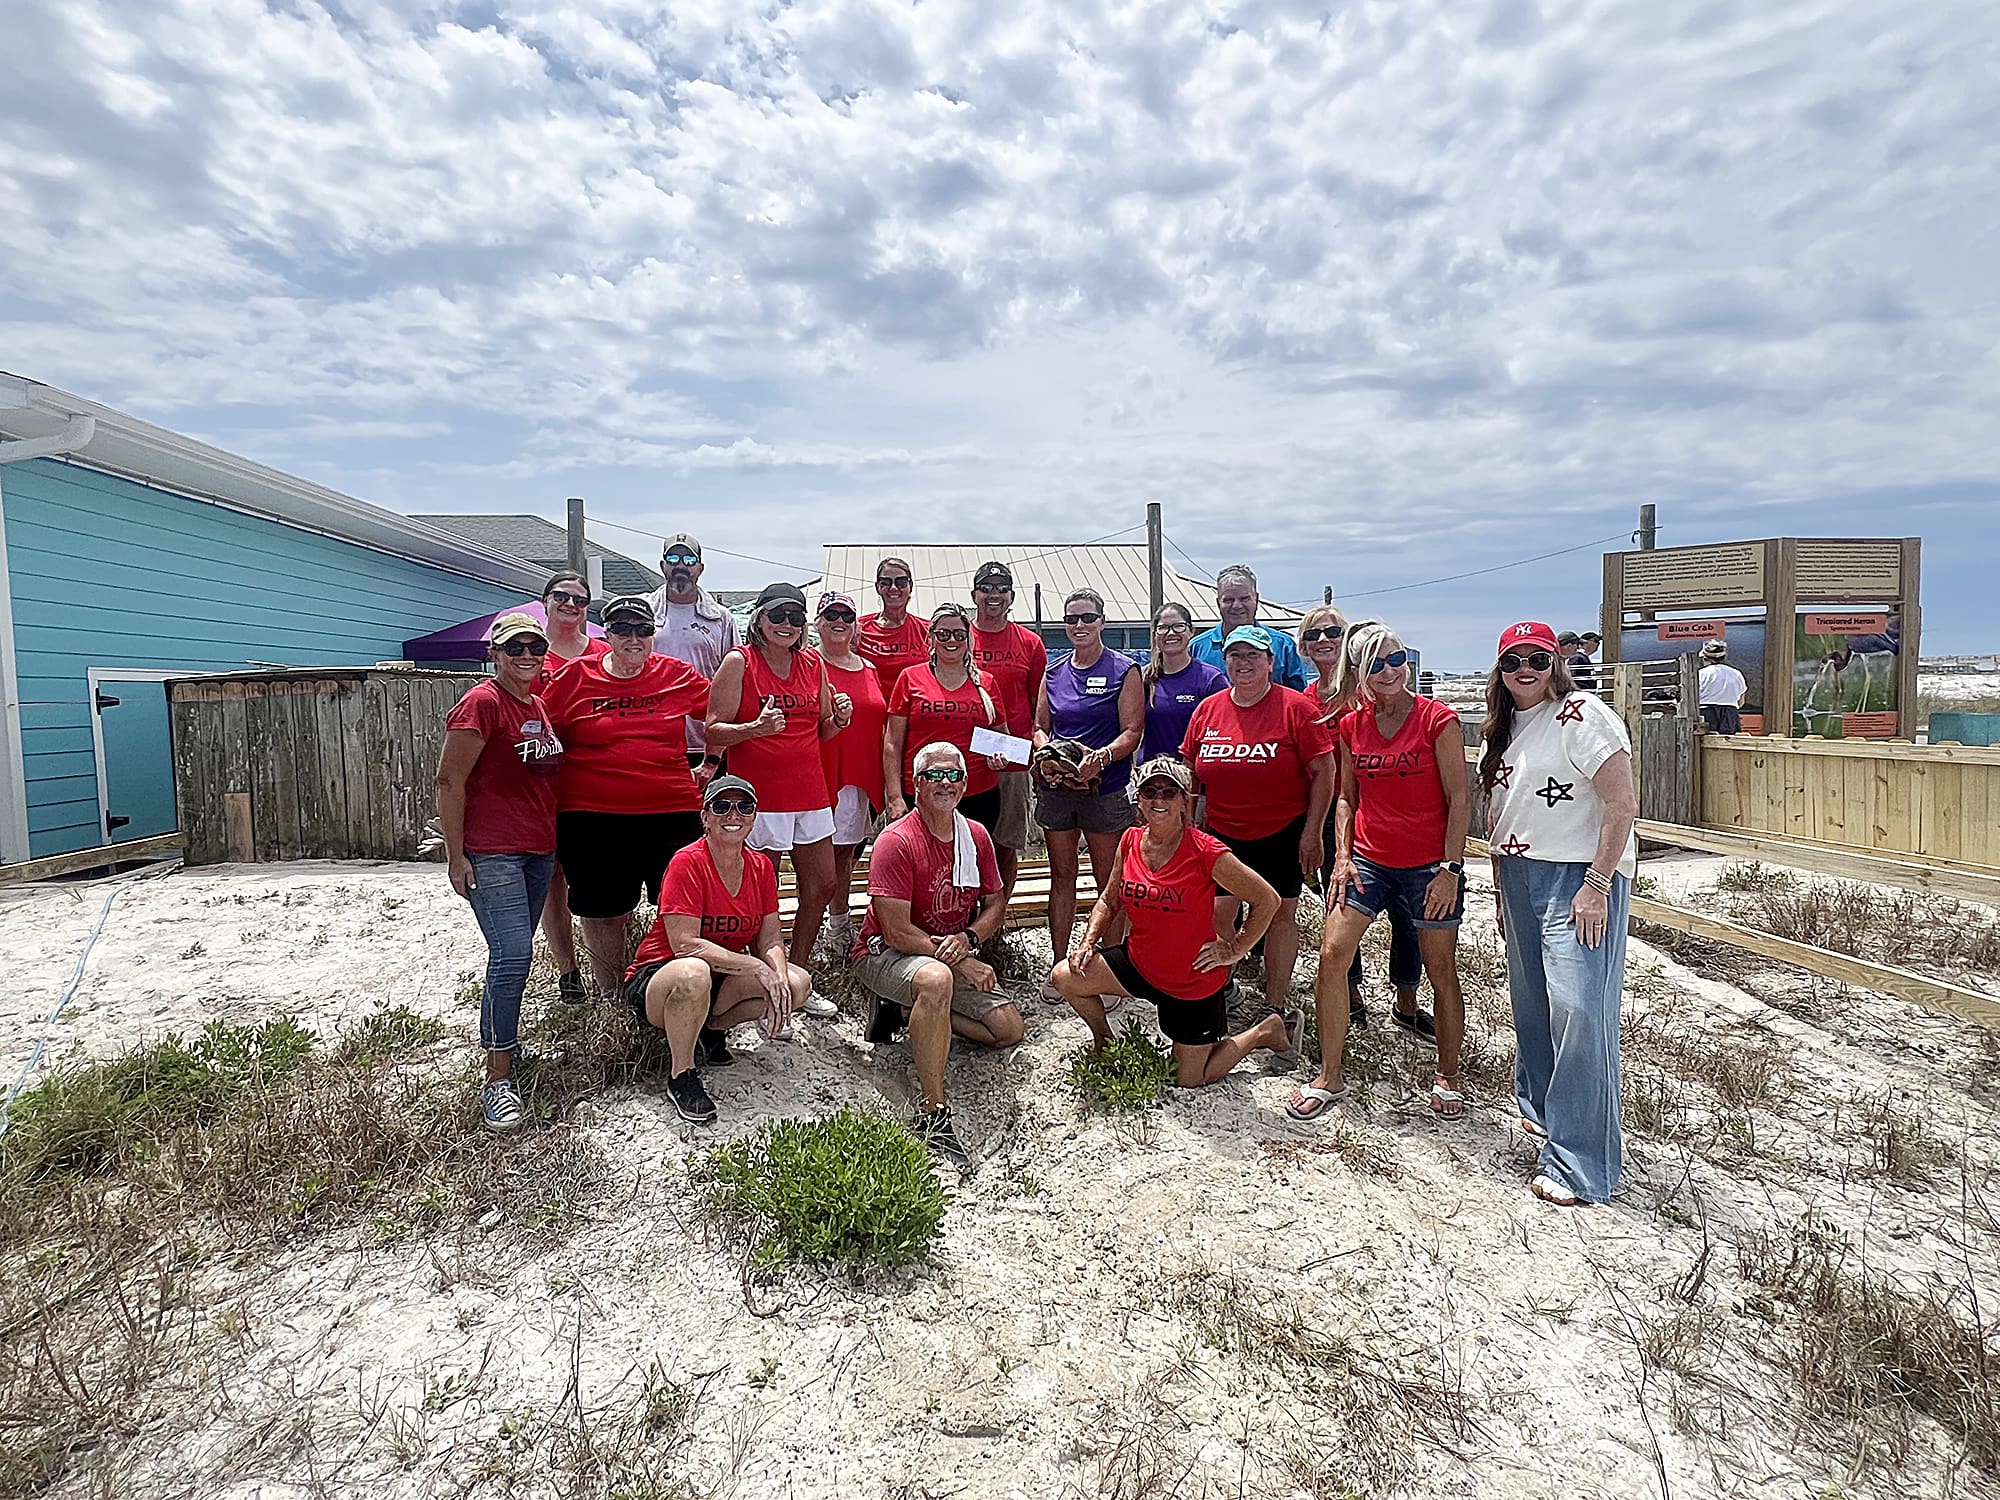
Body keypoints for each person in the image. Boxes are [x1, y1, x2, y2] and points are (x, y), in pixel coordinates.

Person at [1480, 621, 1639, 1206]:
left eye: (1537, 658)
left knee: (1580, 1007)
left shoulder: (1584, 713)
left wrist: (1597, 883)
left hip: (1578, 874)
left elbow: (1621, 801)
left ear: (1556, 662)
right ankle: (1542, 1108)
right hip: (1519, 874)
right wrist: (1501, 892)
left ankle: (1581, 1160)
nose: (1526, 668)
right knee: (1533, 999)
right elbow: (1504, 819)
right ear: (1500, 669)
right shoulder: (1503, 730)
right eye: (1514, 659)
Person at [1293, 622, 1471, 1122]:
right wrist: (1343, 857)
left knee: (1440, 969)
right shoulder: (1351, 725)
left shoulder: (1438, 720)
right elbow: (1347, 796)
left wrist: (1450, 870)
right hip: (1369, 859)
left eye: (1397, 660)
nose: (1390, 671)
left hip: (1428, 865)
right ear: (1360, 673)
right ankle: (1330, 1075)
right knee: (1331, 953)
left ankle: (1447, 1076)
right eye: (1377, 664)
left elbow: (1460, 799)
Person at [1048, 758, 1293, 1085]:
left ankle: (1265, 1031)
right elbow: (1108, 900)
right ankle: (1104, 1039)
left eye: (1168, 792)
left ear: (1184, 801)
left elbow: (1268, 899)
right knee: (1065, 976)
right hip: (1139, 965)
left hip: (1191, 981)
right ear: (1139, 799)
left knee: (1190, 1079)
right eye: (1149, 792)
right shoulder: (1130, 841)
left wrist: (1236, 949)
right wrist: (1087, 943)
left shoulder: (1206, 851)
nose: (1158, 800)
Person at [851, 741, 1023, 1169]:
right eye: (934, 775)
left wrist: (970, 938)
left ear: (965, 784)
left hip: (947, 946)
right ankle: (932, 1109)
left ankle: (907, 1012)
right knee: (936, 981)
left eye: (953, 776)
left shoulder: (975, 835)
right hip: (886, 952)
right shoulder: (896, 841)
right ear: (916, 783)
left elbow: (996, 901)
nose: (944, 784)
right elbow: (896, 929)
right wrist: (960, 959)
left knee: (1008, 1029)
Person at [539, 595, 712, 999]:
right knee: (603, 911)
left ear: (653, 634)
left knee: (685, 907)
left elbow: (722, 712)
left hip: (670, 808)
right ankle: (614, 999)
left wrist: (713, 760)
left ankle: (675, 993)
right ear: (608, 634)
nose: (634, 638)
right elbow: (540, 730)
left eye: (643, 630)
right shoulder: (575, 676)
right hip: (591, 812)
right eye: (623, 630)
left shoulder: (676, 674)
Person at [436, 613, 566, 1131]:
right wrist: (455, 854)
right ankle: (497, 1080)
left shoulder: (534, 704)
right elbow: (450, 780)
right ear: (495, 653)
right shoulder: (482, 702)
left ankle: (505, 1047)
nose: (527, 655)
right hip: (494, 853)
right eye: (515, 647)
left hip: (538, 850)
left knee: (510, 958)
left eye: (535, 646)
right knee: (512, 957)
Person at [621, 775, 812, 1124]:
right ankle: (682, 1074)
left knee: (798, 984)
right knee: (694, 972)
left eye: (744, 806)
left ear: (754, 816)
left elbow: (770, 938)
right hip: (662, 974)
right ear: (705, 816)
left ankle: (708, 1030)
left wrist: (778, 976)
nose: (733, 814)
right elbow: (685, 945)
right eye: (721, 806)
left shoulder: (761, 867)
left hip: (722, 972)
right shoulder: (687, 862)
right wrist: (756, 968)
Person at [1179, 625, 1333, 1033]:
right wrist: (1191, 818)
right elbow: (1192, 771)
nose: (1244, 663)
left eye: (1253, 656)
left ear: (1270, 662)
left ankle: (1274, 1002)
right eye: (1235, 656)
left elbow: (1324, 770)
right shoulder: (1209, 708)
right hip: (1223, 831)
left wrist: (1313, 831)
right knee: (1216, 913)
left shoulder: (1295, 707)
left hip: (1281, 829)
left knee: (1280, 915)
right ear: (1224, 661)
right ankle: (1224, 984)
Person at [704, 583, 846, 1011]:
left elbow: (822, 728)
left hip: (810, 791)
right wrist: (754, 729)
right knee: (760, 895)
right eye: (778, 616)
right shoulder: (740, 662)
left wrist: (839, 719)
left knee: (822, 885)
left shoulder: (814, 662)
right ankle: (755, 978)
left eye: (795, 618)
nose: (787, 625)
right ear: (760, 620)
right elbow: (711, 730)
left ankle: (797, 976)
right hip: (760, 799)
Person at [1298, 606, 1424, 1035]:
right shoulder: (1306, 699)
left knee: (1408, 914)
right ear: (1304, 645)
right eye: (1314, 634)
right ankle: (1351, 995)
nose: (1324, 639)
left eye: (1333, 631)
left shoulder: (1374, 688)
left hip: (1390, 816)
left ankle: (1406, 998)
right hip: (1338, 815)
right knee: (1341, 909)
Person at [1031, 588, 1143, 964]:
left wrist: (1103, 757)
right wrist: (1047, 754)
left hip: (1105, 788)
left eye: (1087, 618)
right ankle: (1060, 960)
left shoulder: (1123, 670)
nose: (1079, 625)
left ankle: (1108, 962)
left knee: (1107, 880)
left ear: (1102, 622)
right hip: (1060, 788)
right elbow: (1040, 727)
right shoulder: (1053, 671)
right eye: (1072, 619)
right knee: (1061, 876)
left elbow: (1132, 731)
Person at [535, 571, 608, 1005]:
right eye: (562, 597)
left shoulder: (601, 652)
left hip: (593, 778)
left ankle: (609, 964)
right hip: (541, 781)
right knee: (552, 876)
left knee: (598, 877)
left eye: (580, 600)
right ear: (545, 601)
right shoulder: (527, 651)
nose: (570, 605)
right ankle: (567, 970)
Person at [884, 603, 1007, 832]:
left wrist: (999, 758)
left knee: (971, 864)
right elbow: (893, 743)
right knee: (923, 865)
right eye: (943, 634)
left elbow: (1002, 739)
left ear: (968, 639)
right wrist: (894, 796)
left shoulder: (986, 682)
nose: (952, 640)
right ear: (931, 638)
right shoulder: (910, 678)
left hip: (978, 793)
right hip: (922, 793)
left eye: (959, 634)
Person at [967, 561, 1047, 902]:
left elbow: (1039, 704)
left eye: (1001, 589)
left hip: (1012, 759)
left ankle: (994, 921)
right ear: (975, 595)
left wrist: (1034, 750)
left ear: (1011, 596)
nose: (994, 596)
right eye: (987, 588)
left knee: (1004, 844)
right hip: (966, 759)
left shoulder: (1029, 643)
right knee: (961, 843)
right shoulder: (959, 637)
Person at [815, 590, 889, 950]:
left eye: (846, 616)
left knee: (846, 853)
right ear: (818, 623)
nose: (839, 622)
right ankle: (824, 925)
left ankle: (838, 923)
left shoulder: (870, 668)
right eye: (831, 615)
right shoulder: (809, 663)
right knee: (824, 856)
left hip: (861, 774)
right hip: (825, 772)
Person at [643, 531, 739, 780]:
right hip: (652, 740)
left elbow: (734, 682)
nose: (681, 566)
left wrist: (719, 746)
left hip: (706, 743)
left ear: (700, 568)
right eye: (673, 558)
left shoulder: (721, 617)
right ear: (663, 565)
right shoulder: (643, 613)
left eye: (689, 560)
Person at [1191, 565, 1308, 691]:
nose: (1237, 605)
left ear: (1256, 599)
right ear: (1218, 602)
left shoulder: (1284, 646)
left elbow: (1298, 697)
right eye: (1229, 600)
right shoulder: (1196, 648)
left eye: (1244, 598)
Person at [1138, 601, 1226, 765]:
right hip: (1153, 780)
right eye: (1163, 628)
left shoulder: (1211, 679)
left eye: (1178, 626)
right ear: (1154, 635)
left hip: (1196, 780)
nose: (1170, 633)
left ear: (1191, 631)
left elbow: (1223, 735)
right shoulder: (1143, 678)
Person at [859, 556, 929, 697]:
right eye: (885, 582)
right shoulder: (858, 629)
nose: (893, 588)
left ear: (911, 586)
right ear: (878, 587)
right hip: (875, 714)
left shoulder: (927, 630)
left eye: (901, 582)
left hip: (915, 714)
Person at [1698, 640, 1747, 733]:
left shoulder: (1701, 674)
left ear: (1705, 658)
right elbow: (1741, 701)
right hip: (1730, 715)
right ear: (1724, 657)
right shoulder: (1737, 674)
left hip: (1706, 714)